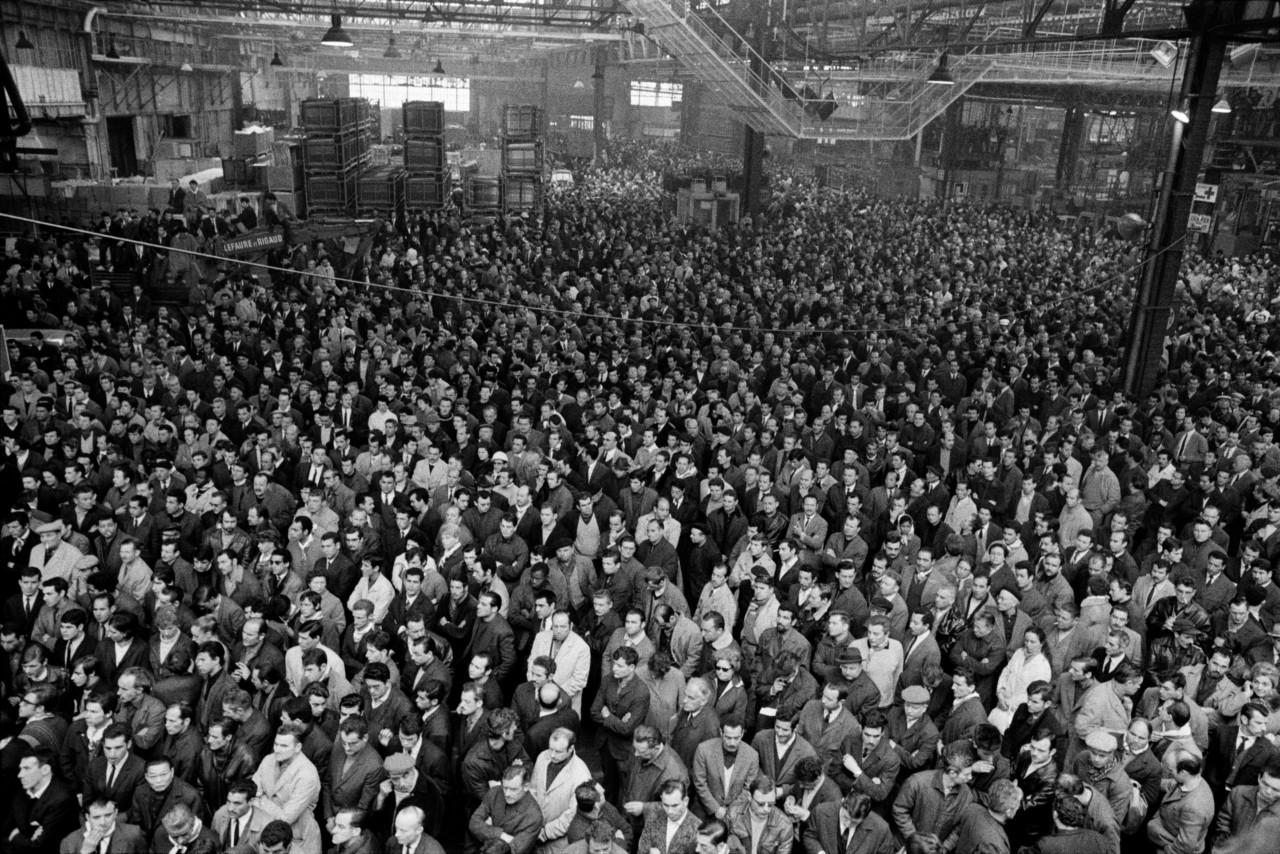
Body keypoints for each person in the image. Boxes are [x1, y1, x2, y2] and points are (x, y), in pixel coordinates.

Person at [802, 790, 895, 854]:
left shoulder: (881, 829)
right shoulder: (821, 811)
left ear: (865, 817)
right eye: (845, 817)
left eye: (854, 822)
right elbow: (809, 836)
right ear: (842, 802)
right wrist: (819, 852)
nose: (848, 824)